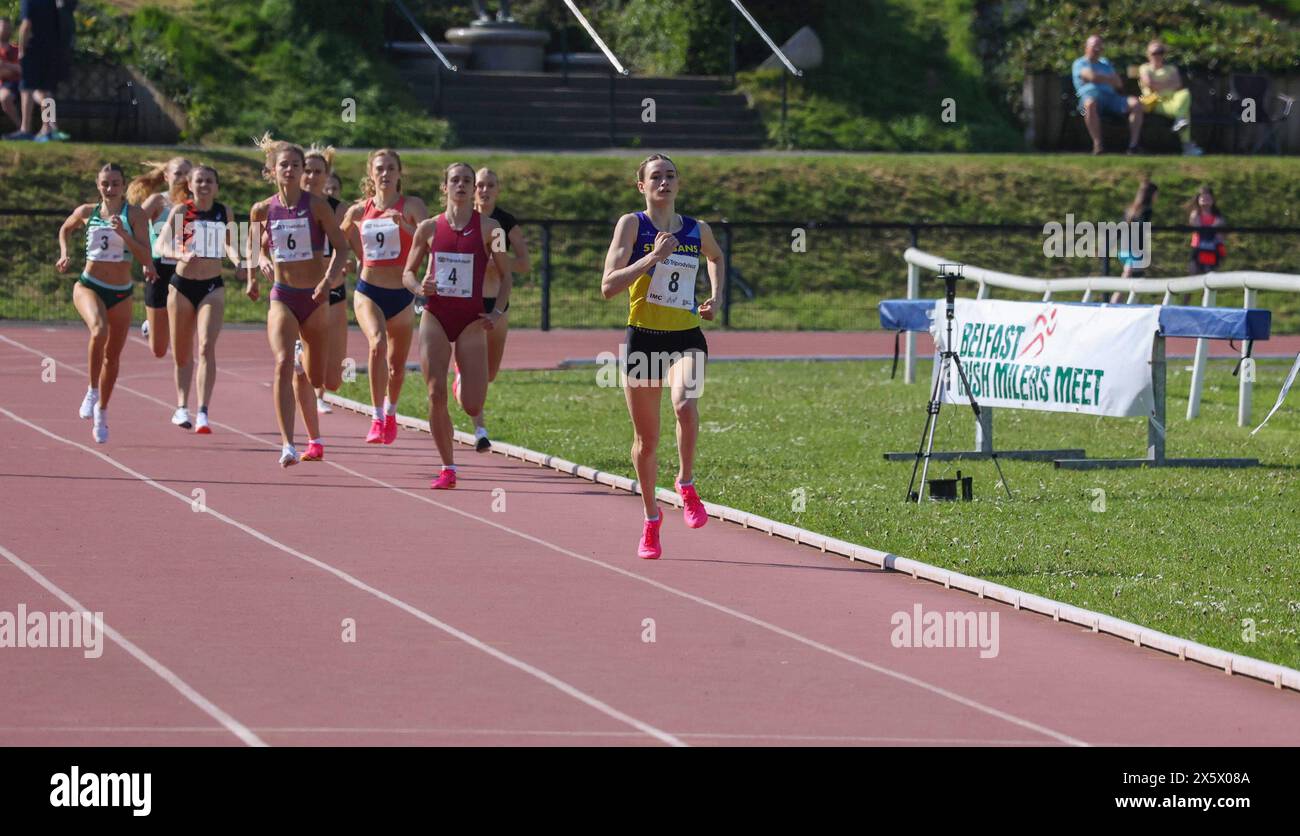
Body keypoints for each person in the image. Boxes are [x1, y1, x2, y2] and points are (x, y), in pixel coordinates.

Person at [600, 154, 724, 560]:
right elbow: (608, 287)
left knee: (685, 406)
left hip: (686, 336)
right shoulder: (631, 225)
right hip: (644, 340)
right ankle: (652, 518)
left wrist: (715, 297)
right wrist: (652, 258)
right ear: (642, 186)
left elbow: (716, 257)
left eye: (671, 175)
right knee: (645, 441)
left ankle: (686, 483)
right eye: (656, 176)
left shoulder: (697, 229)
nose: (664, 182)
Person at [403, 162, 512, 489]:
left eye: (467, 180)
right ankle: (448, 466)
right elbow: (408, 272)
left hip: (471, 320)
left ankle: (462, 380)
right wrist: (419, 288)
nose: (462, 185)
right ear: (445, 187)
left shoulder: (492, 229)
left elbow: (507, 276)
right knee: (435, 392)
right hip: (435, 315)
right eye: (455, 180)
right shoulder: (428, 228)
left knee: (473, 404)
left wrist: (496, 313)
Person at [246, 134, 348, 467]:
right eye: (283, 165)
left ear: (303, 170)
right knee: (281, 363)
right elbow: (256, 246)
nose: (290, 170)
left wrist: (327, 281)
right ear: (272, 170)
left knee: (317, 378)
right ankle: (288, 444)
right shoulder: (263, 209)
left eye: (295, 165)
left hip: (316, 298)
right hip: (283, 295)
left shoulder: (316, 206)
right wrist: (258, 265)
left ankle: (305, 355)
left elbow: (341, 248)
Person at [55, 163, 156, 443]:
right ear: (98, 185)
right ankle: (91, 390)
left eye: (115, 183)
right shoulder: (87, 212)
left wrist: (124, 234)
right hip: (89, 285)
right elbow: (66, 228)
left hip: (121, 291)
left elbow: (146, 257)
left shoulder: (134, 215)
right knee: (99, 330)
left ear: (124, 186)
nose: (110, 188)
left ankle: (102, 410)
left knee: (112, 357)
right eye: (105, 183)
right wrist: (64, 254)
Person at [339, 149, 427, 446]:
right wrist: (349, 259)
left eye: (391, 168)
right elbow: (336, 239)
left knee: (396, 367)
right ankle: (376, 418)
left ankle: (390, 412)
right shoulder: (358, 211)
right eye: (380, 168)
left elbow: (431, 240)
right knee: (376, 342)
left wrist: (403, 225)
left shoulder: (412, 205)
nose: (385, 174)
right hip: (369, 291)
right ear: (371, 173)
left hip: (402, 294)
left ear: (400, 173)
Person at [453, 166, 531, 452]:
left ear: (498, 190)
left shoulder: (505, 223)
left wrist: (499, 262)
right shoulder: (462, 219)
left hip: (498, 303)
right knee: (474, 375)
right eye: (480, 185)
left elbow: (524, 263)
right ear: (473, 189)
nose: (484, 191)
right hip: (467, 302)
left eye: (490, 186)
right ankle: (480, 430)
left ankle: (466, 382)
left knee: (489, 374)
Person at [157, 165, 236, 434]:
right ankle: (181, 406)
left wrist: (239, 260)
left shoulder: (222, 212)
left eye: (209, 181)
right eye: (199, 181)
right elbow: (162, 244)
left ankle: (202, 411)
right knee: (182, 351)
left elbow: (231, 242)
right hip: (181, 287)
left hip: (212, 287)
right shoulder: (181, 211)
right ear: (190, 185)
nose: (204, 185)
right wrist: (180, 255)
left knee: (205, 347)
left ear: (216, 186)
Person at [290, 145, 351, 424]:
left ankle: (303, 356)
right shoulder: (288, 205)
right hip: (300, 292)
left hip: (334, 291)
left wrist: (358, 264)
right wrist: (259, 264)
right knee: (311, 373)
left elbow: (353, 247)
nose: (312, 176)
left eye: (319, 171)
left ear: (327, 176)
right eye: (308, 170)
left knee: (333, 380)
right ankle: (299, 351)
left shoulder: (340, 210)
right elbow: (261, 239)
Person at [128, 157, 192, 358]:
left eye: (186, 174)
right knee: (159, 350)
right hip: (159, 270)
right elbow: (134, 225)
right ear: (166, 177)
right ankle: (152, 325)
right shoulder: (158, 201)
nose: (182, 178)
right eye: (178, 173)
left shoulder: (197, 203)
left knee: (184, 337)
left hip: (186, 270)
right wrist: (146, 259)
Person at [3, 0, 70, 142]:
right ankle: (49, 128)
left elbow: (26, 25)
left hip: (33, 49)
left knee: (26, 89)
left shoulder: (29, 1)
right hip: (51, 50)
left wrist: (21, 50)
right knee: (46, 90)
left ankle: (25, 129)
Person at [1071, 35, 1143, 155]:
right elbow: (1092, 77)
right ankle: (1098, 145)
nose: (1097, 49)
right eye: (1094, 46)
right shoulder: (1080, 63)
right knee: (1090, 104)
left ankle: (1133, 145)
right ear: (1086, 47)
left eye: (1099, 47)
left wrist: (1100, 78)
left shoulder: (1105, 63)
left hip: (1111, 98)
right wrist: (1108, 78)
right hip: (1089, 98)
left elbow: (1118, 83)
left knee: (1136, 103)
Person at [1138, 40, 1203, 157]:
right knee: (1184, 113)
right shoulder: (1144, 68)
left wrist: (1160, 86)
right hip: (1154, 102)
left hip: (1172, 100)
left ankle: (1179, 121)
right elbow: (1149, 84)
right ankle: (1187, 146)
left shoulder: (1171, 68)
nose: (1157, 55)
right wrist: (1167, 86)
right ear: (1148, 54)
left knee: (1185, 94)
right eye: (1154, 52)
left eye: (1160, 52)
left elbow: (1178, 85)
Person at [1110, 175, 1158, 304]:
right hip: (1134, 250)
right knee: (1129, 278)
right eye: (1156, 194)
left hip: (1124, 249)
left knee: (1135, 278)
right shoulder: (1147, 210)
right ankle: (1114, 305)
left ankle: (1127, 304)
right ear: (1151, 195)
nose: (1157, 198)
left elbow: (1120, 228)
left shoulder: (1131, 210)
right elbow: (1141, 227)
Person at [1187, 184, 1226, 275]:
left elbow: (1220, 232)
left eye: (1208, 198)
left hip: (1213, 248)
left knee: (1211, 272)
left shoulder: (1217, 216)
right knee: (1194, 270)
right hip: (1198, 247)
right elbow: (1196, 225)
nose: (1205, 200)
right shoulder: (1196, 214)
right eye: (1203, 198)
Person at [0, 17, 21, 131]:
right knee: (5, 97)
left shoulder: (17, 50)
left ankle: (23, 129)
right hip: (6, 85)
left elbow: (22, 70)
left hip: (17, 84)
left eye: (8, 27)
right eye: (3, 27)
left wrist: (5, 65)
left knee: (46, 96)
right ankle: (23, 128)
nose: (5, 30)